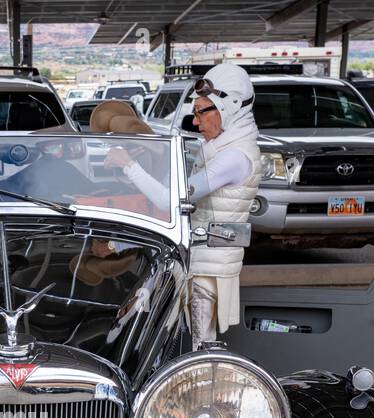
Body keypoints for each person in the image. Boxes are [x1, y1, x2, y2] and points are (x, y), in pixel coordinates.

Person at [107, 64, 261, 338]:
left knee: (201, 346)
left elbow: (171, 200)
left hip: (208, 268)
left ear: (229, 108)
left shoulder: (233, 157)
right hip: (200, 260)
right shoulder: (220, 149)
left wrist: (129, 165)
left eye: (202, 112)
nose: (196, 121)